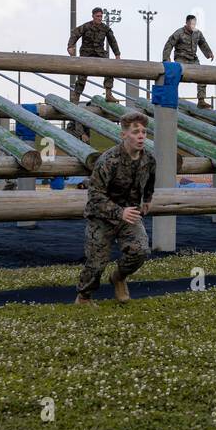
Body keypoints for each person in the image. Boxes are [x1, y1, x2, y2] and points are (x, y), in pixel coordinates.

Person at [75, 111, 155, 304]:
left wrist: (147, 199)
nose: (141, 135)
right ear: (124, 135)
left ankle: (118, 278)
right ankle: (84, 297)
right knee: (96, 263)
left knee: (141, 251)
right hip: (102, 217)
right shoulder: (108, 160)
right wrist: (119, 212)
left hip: (130, 216)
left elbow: (151, 178)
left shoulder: (149, 159)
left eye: (144, 132)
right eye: (136, 132)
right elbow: (95, 196)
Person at [67, 7, 122, 104]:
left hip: (100, 53)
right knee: (82, 74)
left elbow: (112, 41)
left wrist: (117, 54)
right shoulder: (86, 26)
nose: (99, 18)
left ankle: (108, 94)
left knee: (110, 68)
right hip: (86, 54)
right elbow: (75, 34)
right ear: (93, 16)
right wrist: (70, 46)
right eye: (97, 16)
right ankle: (76, 96)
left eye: (101, 16)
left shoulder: (105, 28)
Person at [162, 14, 215, 108]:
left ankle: (201, 100)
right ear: (186, 23)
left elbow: (203, 43)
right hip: (181, 58)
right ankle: (170, 97)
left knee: (202, 75)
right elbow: (169, 44)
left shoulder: (197, 33)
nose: (192, 26)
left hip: (193, 59)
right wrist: (166, 59)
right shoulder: (179, 33)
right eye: (191, 24)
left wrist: (209, 53)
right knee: (174, 74)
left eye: (194, 24)